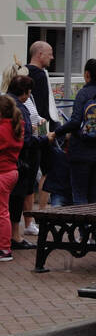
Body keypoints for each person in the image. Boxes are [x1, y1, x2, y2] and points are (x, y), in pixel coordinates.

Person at [48, 58, 96, 205]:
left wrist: (56, 133)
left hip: (81, 152)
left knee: (79, 194)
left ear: (87, 74)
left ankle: (83, 228)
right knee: (94, 194)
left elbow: (75, 122)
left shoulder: (83, 93)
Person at [26, 40, 63, 204]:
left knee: (27, 174)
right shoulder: (40, 75)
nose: (53, 57)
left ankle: (27, 218)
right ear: (40, 55)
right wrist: (44, 136)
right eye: (50, 54)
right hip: (40, 129)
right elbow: (41, 107)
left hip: (26, 128)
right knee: (47, 170)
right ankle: (42, 212)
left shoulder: (23, 72)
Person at [6, 74, 40, 249]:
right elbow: (25, 140)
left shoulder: (5, 103)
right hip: (16, 162)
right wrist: (43, 139)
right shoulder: (17, 107)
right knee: (15, 199)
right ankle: (14, 237)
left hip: (9, 161)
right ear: (25, 92)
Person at [0, 94, 26, 260]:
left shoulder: (2, 129)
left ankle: (4, 248)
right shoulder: (16, 127)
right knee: (4, 210)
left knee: (2, 212)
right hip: (12, 171)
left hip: (2, 173)